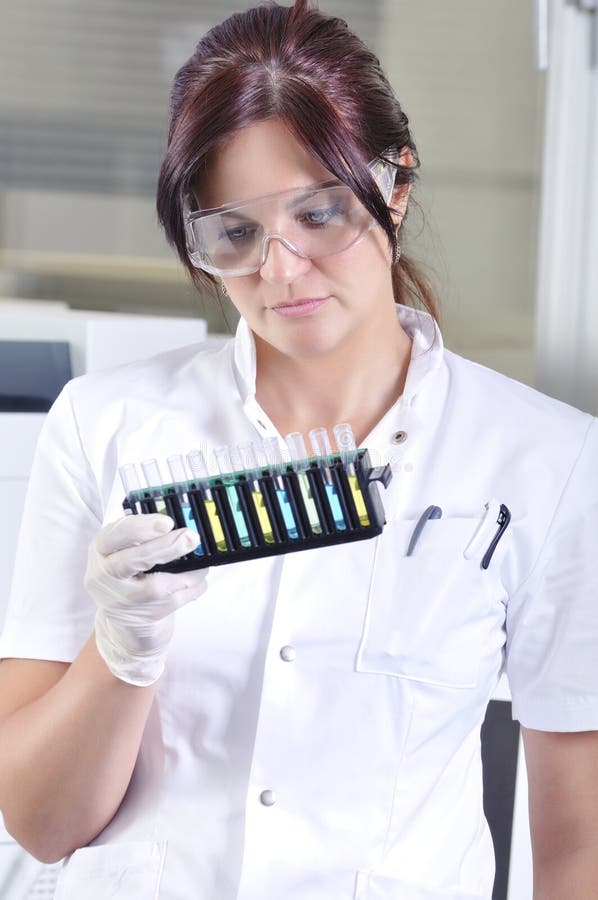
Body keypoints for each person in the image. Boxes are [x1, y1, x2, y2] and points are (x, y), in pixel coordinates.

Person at [0, 1, 597, 897]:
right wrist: (121, 651)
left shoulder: (548, 460)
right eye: (235, 234)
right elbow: (40, 827)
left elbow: (580, 850)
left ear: (396, 184)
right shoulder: (103, 424)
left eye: (320, 214)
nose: (280, 270)